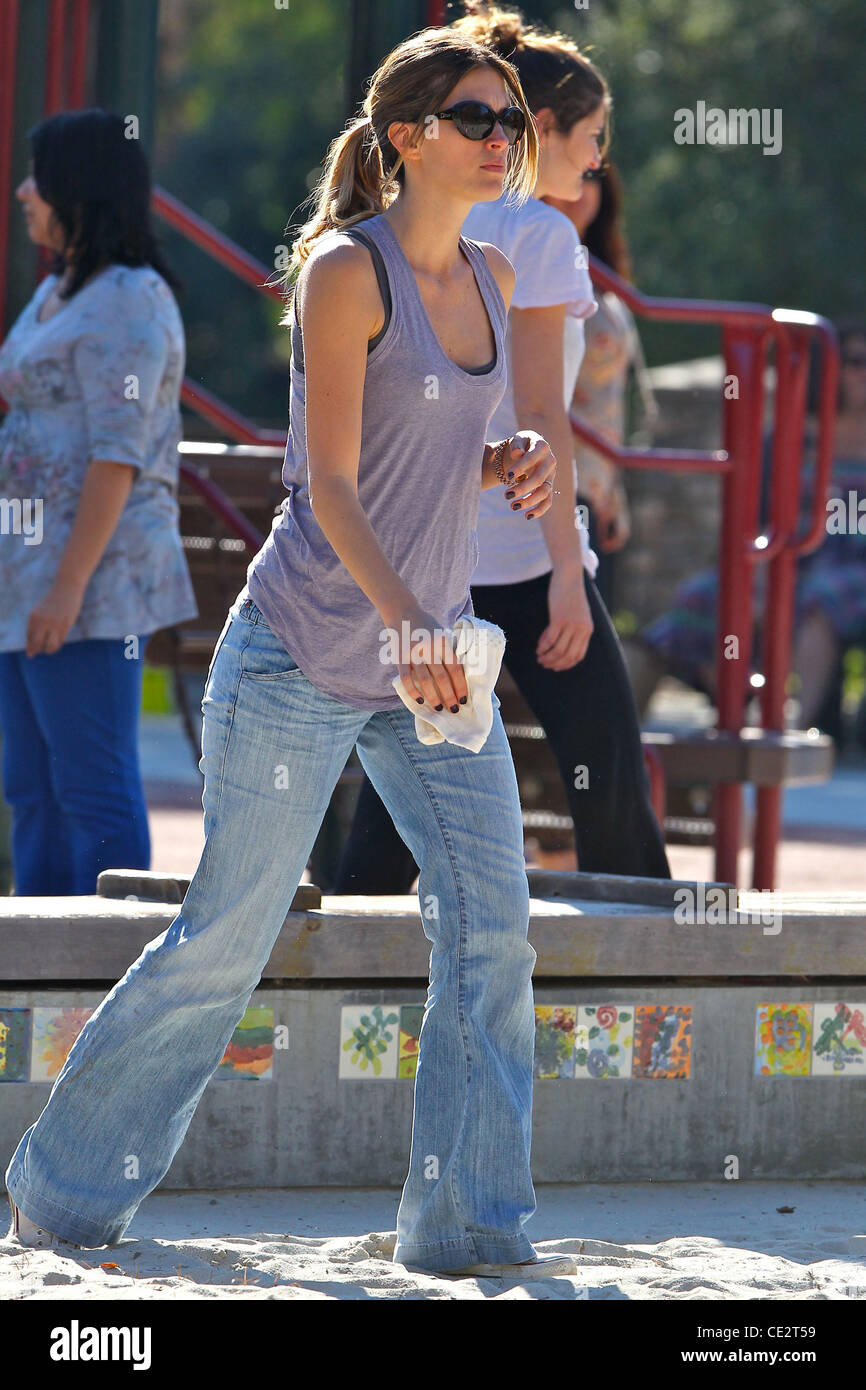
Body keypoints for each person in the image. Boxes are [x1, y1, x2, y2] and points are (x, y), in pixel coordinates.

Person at [6, 30, 577, 1280]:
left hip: (430, 672)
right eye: (478, 119)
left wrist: (508, 460)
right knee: (225, 939)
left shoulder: (489, 275)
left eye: (513, 125)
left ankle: (467, 1224)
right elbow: (327, 484)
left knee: (494, 930)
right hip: (303, 653)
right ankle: (55, 1196)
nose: (501, 142)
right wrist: (412, 625)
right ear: (407, 135)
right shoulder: (342, 271)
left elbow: (425, 439)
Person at [333, 2, 671, 894]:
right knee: (609, 784)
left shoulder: (439, 211)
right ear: (547, 127)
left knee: (398, 803)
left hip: (422, 547)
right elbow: (540, 416)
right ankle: (655, 984)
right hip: (515, 553)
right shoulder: (541, 233)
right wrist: (570, 567)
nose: (599, 160)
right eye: (593, 137)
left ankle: (328, 977)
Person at [0, 109, 197, 895]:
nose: (22, 192)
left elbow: (119, 451)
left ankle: (104, 986)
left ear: (75, 189)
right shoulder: (58, 290)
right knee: (33, 789)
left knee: (91, 789)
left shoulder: (129, 300)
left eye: (36, 177)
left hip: (89, 585)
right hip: (28, 576)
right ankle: (34, 991)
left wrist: (68, 589)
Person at [629, 322, 866, 730]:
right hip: (788, 556)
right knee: (702, 596)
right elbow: (755, 517)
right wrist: (757, 570)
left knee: (823, 600)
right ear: (832, 368)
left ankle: (787, 735)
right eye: (855, 362)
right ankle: (626, 740)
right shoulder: (794, 435)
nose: (863, 373)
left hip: (853, 566)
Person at [545, 161, 658, 608]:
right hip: (546, 479)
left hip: (594, 484)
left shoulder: (600, 271)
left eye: (592, 175)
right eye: (571, 171)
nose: (581, 189)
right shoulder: (528, 262)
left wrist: (615, 492)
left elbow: (613, 399)